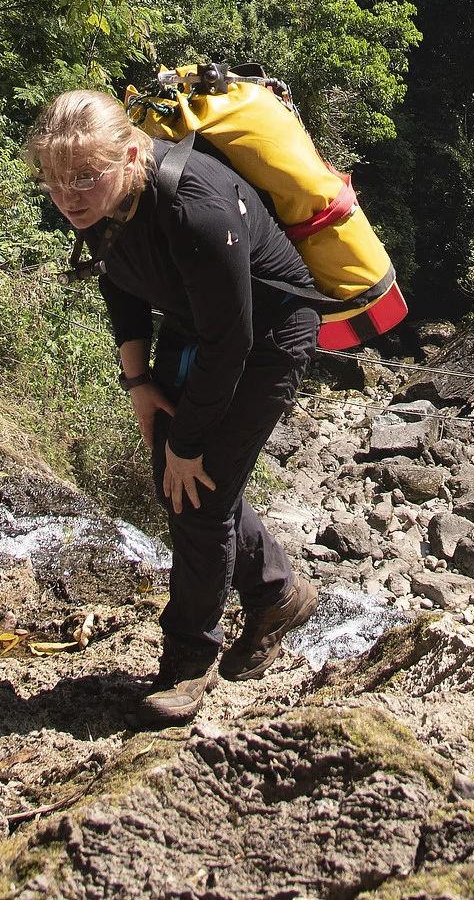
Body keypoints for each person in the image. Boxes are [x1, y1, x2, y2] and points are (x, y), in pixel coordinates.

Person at [27, 88, 321, 725]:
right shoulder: (104, 205)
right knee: (181, 485)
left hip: (267, 340)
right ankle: (277, 594)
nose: (68, 195)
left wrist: (188, 443)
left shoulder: (192, 207)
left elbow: (232, 341)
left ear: (132, 154)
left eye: (83, 177)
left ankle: (189, 660)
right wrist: (139, 385)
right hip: (196, 329)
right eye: (52, 180)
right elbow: (119, 278)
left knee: (197, 491)